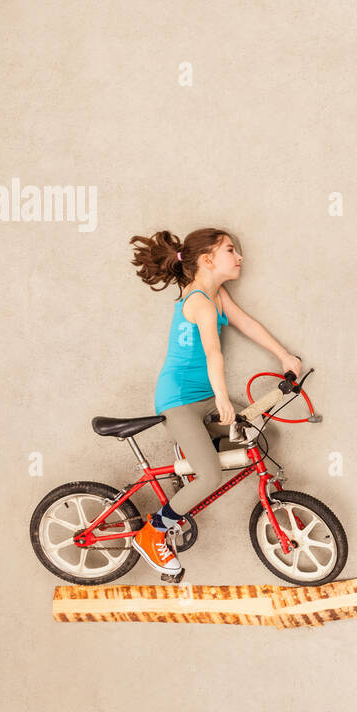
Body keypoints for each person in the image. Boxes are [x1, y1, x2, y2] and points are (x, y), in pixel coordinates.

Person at [127, 228, 302, 575]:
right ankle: (153, 532)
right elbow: (212, 353)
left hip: (203, 397)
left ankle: (191, 453)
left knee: (249, 431)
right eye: (230, 250)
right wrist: (222, 396)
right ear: (208, 260)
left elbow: (247, 324)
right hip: (179, 400)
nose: (239, 258)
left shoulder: (216, 294)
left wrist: (284, 356)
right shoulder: (198, 302)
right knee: (209, 477)